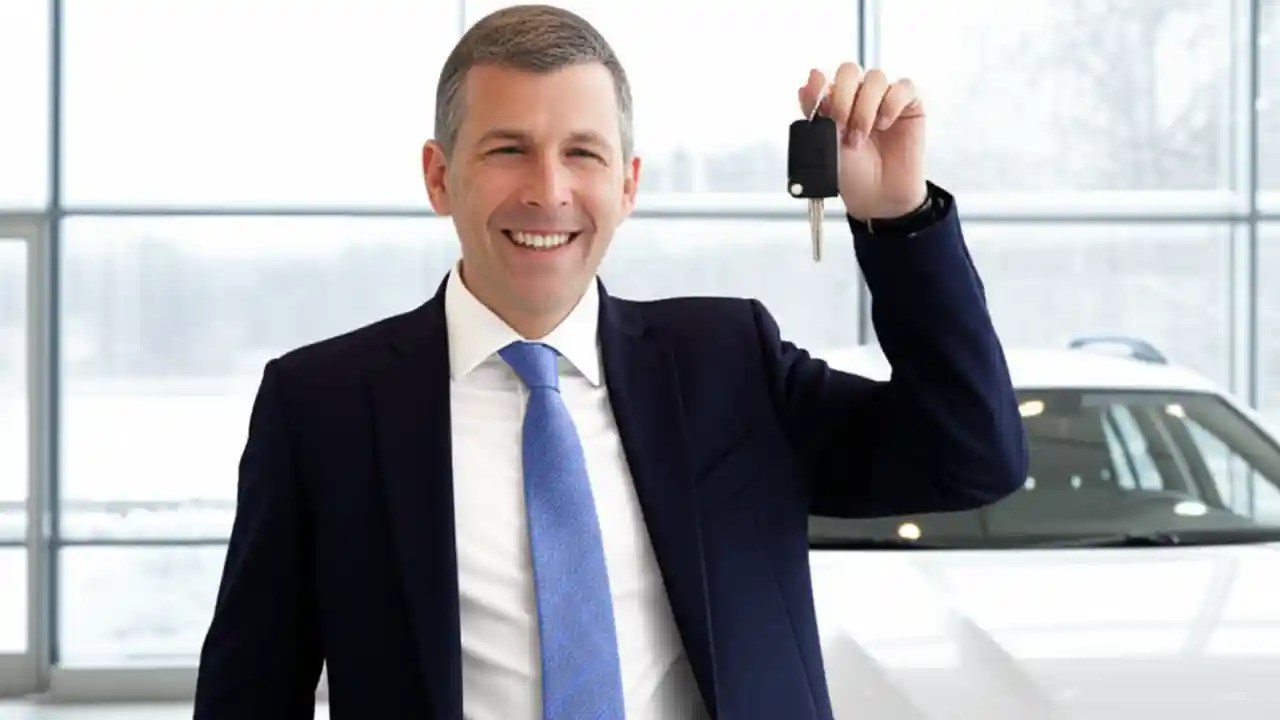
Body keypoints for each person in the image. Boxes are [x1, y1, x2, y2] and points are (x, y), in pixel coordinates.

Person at [193, 4, 1027, 719]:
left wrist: (899, 219)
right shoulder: (322, 407)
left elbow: (972, 457)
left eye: (583, 153)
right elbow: (247, 694)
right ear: (439, 176)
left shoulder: (726, 364)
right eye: (508, 149)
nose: (549, 190)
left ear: (627, 183)